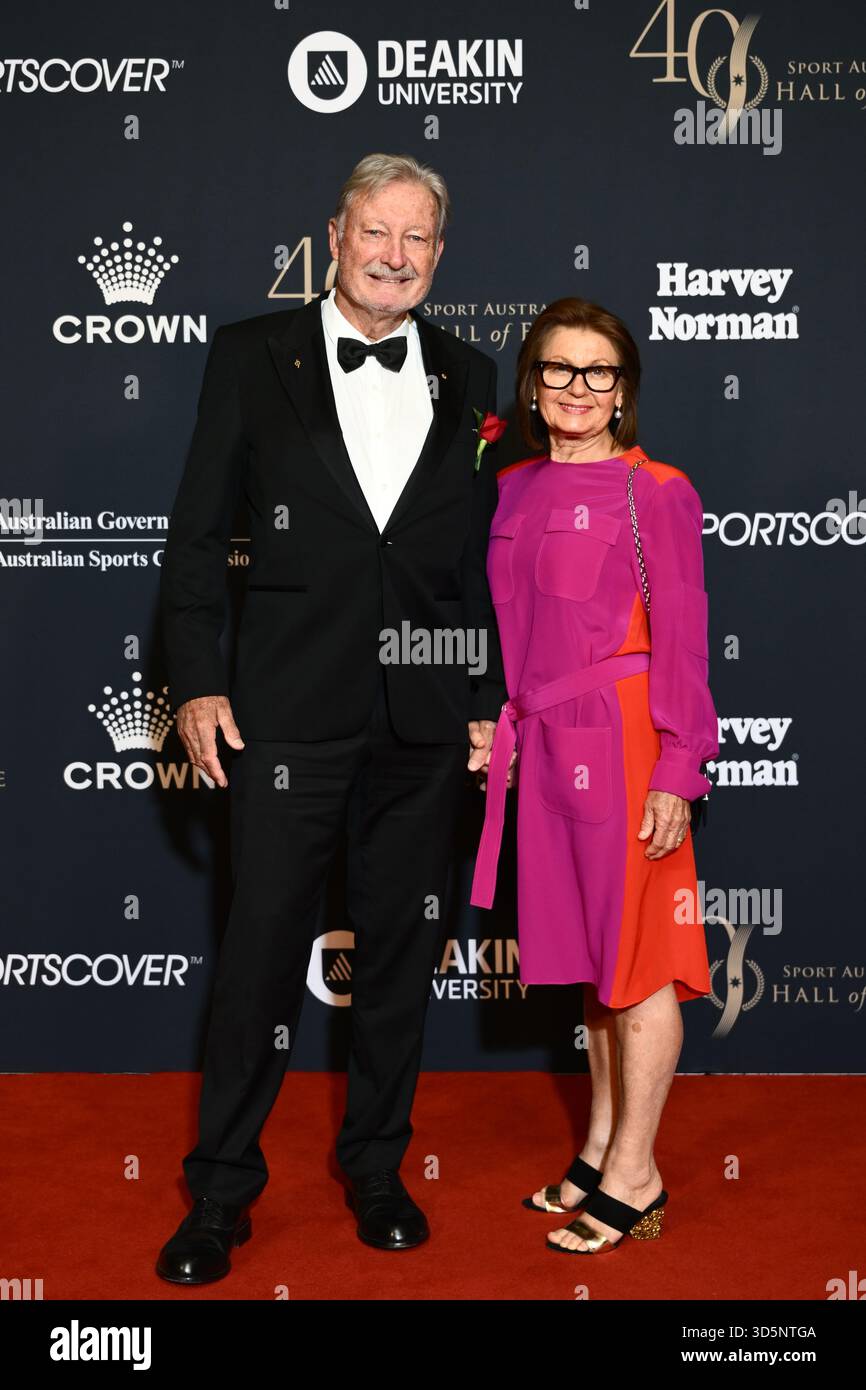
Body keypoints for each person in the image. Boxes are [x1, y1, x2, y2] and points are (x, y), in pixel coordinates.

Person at [155, 152, 506, 1284]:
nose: (395, 256)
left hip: (421, 715)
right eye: (377, 233)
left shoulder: (468, 372)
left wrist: (482, 698)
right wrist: (199, 682)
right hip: (284, 713)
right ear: (336, 236)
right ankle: (218, 1193)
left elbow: (467, 564)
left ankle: (375, 1168)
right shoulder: (251, 353)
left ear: (437, 257)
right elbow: (200, 537)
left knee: (401, 957)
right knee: (258, 955)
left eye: (418, 240)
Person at [470, 296, 719, 1254]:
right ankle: (602, 1143)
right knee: (592, 967)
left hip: (624, 743)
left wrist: (679, 766)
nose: (578, 389)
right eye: (559, 370)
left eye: (599, 373)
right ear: (531, 385)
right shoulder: (514, 484)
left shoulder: (654, 489)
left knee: (639, 964)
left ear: (624, 391)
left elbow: (685, 642)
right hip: (544, 744)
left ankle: (638, 1173)